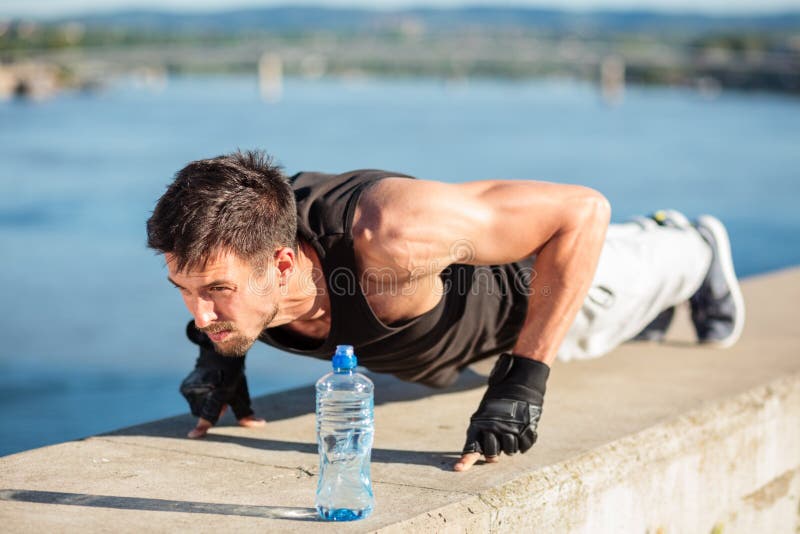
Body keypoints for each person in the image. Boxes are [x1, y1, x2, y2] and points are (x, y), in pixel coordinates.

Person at [146, 150, 744, 472]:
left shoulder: (390, 234)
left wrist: (525, 381)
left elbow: (581, 211)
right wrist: (221, 358)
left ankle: (693, 243)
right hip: (439, 353)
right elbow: (212, 293)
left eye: (217, 292)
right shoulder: (235, 259)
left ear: (282, 264)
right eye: (182, 287)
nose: (200, 314)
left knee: (626, 292)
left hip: (531, 303)